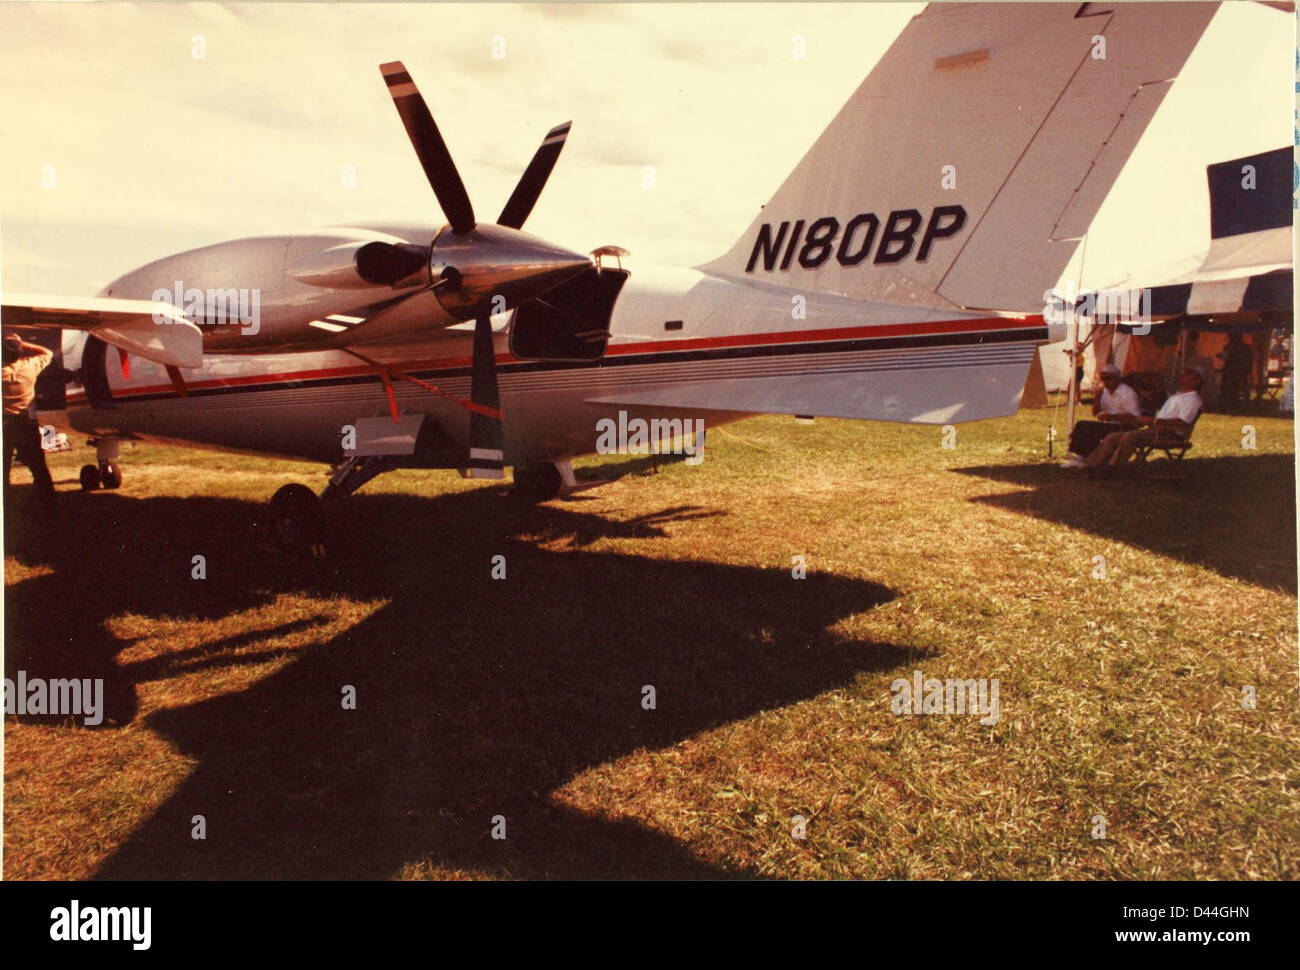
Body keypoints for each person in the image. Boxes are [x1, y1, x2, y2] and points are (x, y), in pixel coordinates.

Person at [1066, 368, 1204, 472]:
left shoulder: (1192, 399)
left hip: (1169, 433)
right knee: (1112, 437)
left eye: (1186, 376)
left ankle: (1114, 469)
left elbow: (1183, 423)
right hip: (1157, 429)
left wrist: (1153, 421)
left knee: (1130, 437)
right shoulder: (1179, 395)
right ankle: (1091, 465)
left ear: (1196, 381)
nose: (1181, 377)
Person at [3, 333, 56, 500]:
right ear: (20, 351)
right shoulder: (30, 366)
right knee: (38, 467)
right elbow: (47, 352)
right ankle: (49, 502)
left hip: (4, 424)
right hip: (25, 423)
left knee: (2, 468)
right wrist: (20, 342)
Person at [1063, 363, 1140, 465]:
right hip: (1111, 424)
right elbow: (1096, 413)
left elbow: (1135, 418)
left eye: (1109, 378)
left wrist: (1112, 417)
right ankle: (1082, 457)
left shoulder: (1127, 393)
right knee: (1081, 425)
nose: (1106, 382)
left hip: (1125, 426)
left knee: (1090, 428)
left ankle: (1085, 458)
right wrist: (1097, 399)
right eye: (1103, 379)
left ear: (1117, 379)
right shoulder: (1104, 392)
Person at [1218, 332, 1253, 409]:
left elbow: (1249, 359)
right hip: (1235, 370)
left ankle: (1240, 402)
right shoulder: (1245, 347)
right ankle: (1237, 401)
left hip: (1237, 369)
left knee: (1239, 386)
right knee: (1235, 387)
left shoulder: (1232, 346)